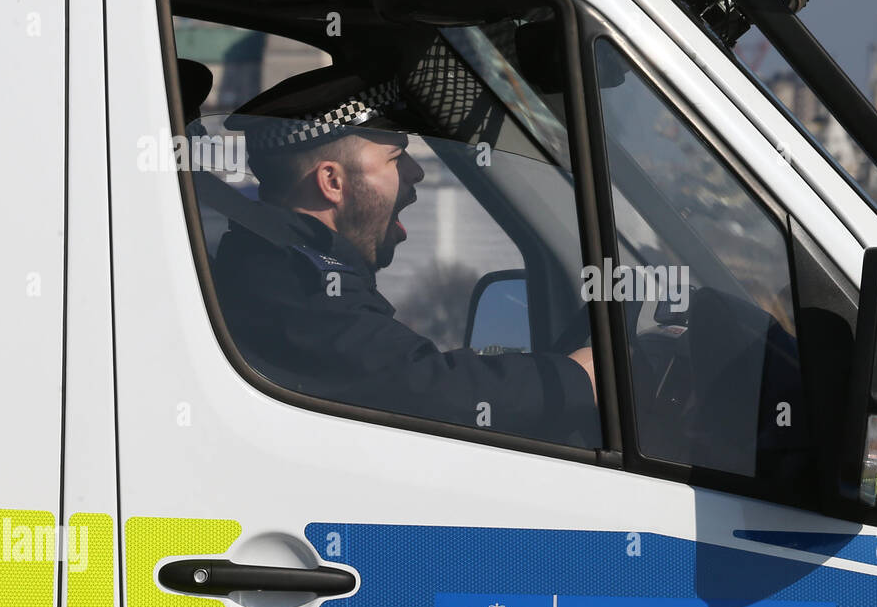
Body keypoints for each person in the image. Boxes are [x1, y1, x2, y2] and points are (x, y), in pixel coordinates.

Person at [211, 65, 599, 446]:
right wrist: (576, 380)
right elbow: (421, 388)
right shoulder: (291, 285)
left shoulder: (282, 262)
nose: (417, 173)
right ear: (332, 182)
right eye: (396, 158)